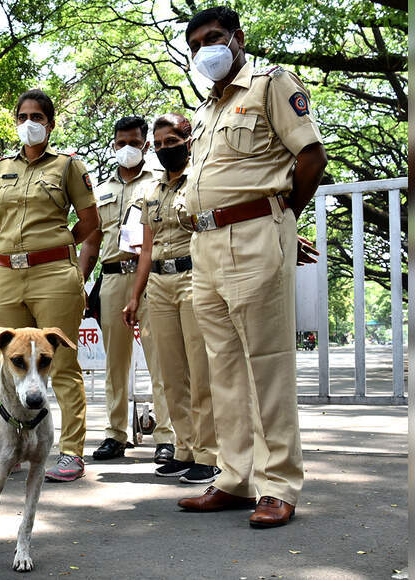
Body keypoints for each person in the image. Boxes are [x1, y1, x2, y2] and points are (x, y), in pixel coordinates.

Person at [174, 6, 327, 528]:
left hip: (255, 234)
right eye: (196, 44)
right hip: (206, 244)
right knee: (224, 369)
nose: (206, 50)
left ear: (238, 38)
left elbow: (311, 157)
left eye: (214, 37)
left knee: (268, 364)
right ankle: (234, 478)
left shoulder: (270, 85)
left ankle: (278, 484)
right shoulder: (205, 111)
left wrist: (283, 217)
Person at [0, 89, 100, 482]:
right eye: (22, 117)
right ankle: (10, 449)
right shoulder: (1, 168)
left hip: (54, 274)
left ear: (50, 124)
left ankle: (70, 452)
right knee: (7, 365)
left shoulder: (68, 166)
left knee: (61, 364)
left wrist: (57, 242)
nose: (29, 123)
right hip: (7, 274)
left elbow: (90, 221)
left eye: (37, 117)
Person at [123, 113, 219, 485]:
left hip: (195, 277)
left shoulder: (202, 180)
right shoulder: (151, 192)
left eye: (172, 142)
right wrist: (135, 296)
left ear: (188, 141)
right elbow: (145, 250)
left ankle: (209, 455)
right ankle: (185, 449)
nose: (165, 149)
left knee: (200, 370)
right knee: (171, 373)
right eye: (159, 143)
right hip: (159, 285)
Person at [78, 115, 174, 464]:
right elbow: (91, 241)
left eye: (134, 143)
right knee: (115, 363)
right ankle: (115, 434)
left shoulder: (161, 182)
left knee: (160, 359)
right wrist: (80, 283)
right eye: (121, 143)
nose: (127, 148)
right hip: (113, 278)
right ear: (113, 145)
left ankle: (167, 436)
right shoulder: (100, 190)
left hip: (153, 278)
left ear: (146, 145)